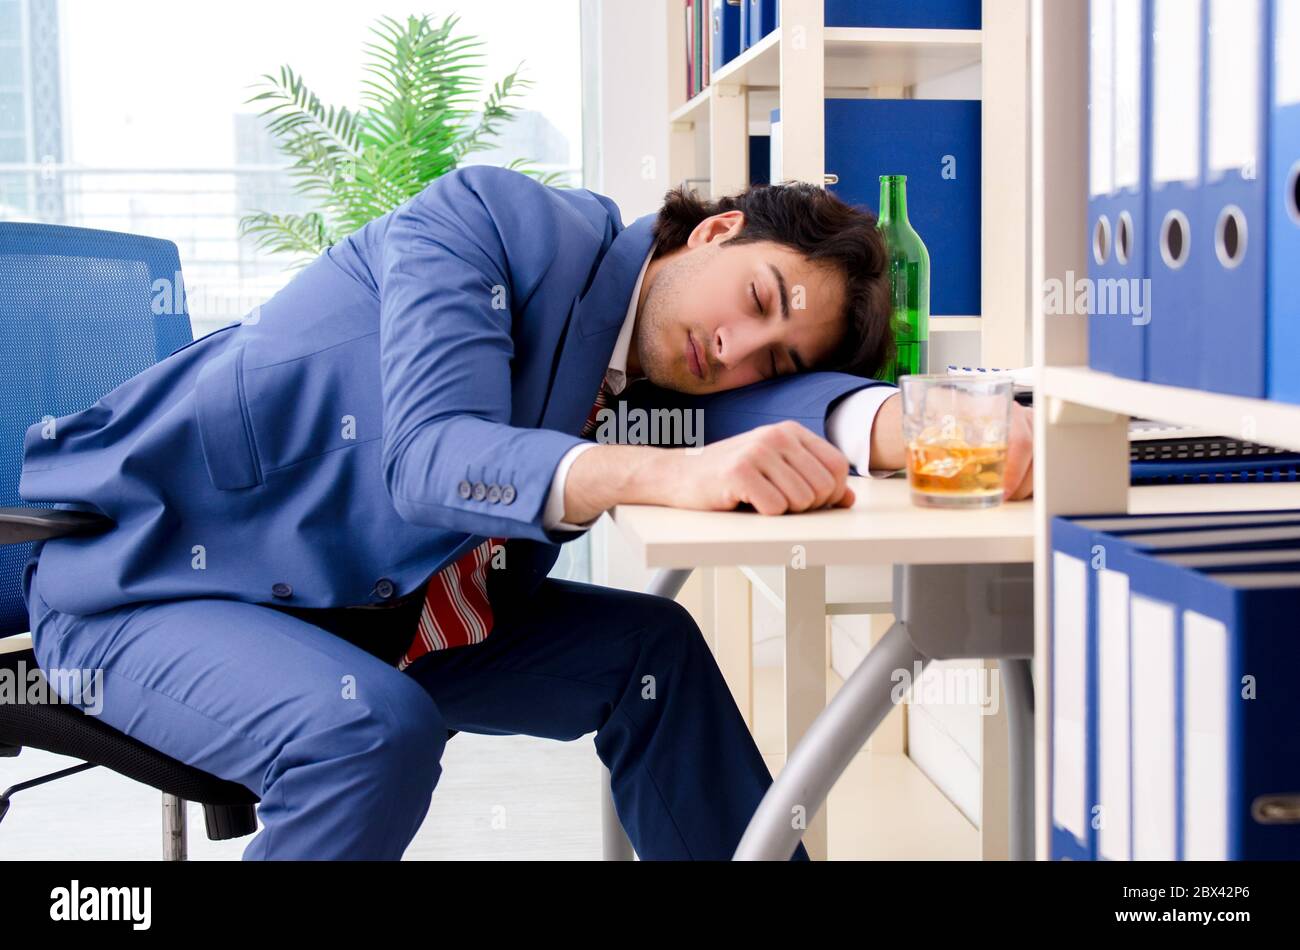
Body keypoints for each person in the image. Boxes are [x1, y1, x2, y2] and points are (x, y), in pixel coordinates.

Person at [19, 165, 1033, 860]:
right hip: (141, 588)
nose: (734, 348)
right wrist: (664, 474)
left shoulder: (659, 364)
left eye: (773, 352)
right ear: (717, 228)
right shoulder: (491, 223)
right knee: (367, 732)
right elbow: (430, 458)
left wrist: (905, 420)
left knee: (653, 653)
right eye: (758, 301)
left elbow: (762, 403)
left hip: (373, 614)